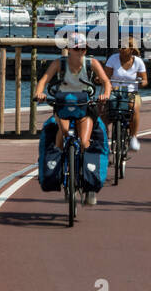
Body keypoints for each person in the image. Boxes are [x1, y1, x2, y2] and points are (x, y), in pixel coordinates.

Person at [34, 34, 112, 205]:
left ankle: (89, 186)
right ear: (69, 49)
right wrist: (39, 93)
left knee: (84, 143)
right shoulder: (59, 63)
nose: (80, 52)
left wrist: (105, 95)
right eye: (77, 49)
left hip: (85, 106)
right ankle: (57, 169)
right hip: (63, 104)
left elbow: (106, 82)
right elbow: (43, 80)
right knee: (61, 137)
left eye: (83, 48)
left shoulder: (91, 63)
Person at [104, 37, 148, 152]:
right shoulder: (113, 59)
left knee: (134, 107)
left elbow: (145, 80)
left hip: (131, 92)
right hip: (114, 91)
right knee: (103, 109)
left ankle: (133, 137)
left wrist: (142, 82)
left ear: (131, 49)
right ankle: (103, 140)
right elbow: (106, 76)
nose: (120, 50)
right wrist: (101, 79)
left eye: (123, 47)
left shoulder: (138, 62)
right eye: (119, 47)